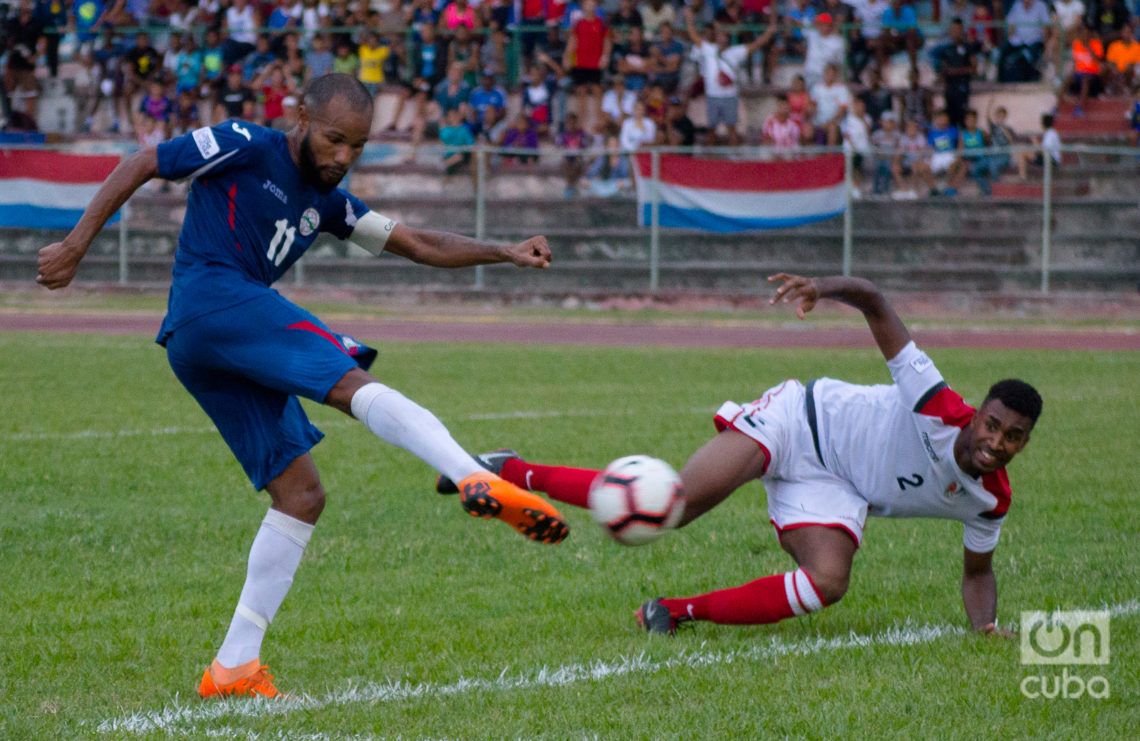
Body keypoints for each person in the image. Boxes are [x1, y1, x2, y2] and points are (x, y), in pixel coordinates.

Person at [35, 74, 568, 700]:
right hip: (215, 297)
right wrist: (76, 245)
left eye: (357, 147)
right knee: (349, 380)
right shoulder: (245, 142)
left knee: (301, 495)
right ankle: (475, 475)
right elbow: (145, 160)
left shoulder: (332, 204)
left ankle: (234, 667)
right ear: (302, 118)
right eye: (334, 139)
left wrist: (505, 252)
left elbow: (418, 242)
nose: (343, 156)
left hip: (205, 345)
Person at [437, 273, 1042, 638]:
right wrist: (822, 287)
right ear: (977, 415)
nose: (996, 442)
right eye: (992, 425)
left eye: (1013, 437)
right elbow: (876, 302)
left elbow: (977, 572)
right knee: (671, 505)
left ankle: (675, 612)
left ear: (1025, 443)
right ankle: (507, 469)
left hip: (836, 488)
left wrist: (985, 627)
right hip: (798, 423)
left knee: (829, 583)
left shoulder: (990, 501)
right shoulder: (935, 402)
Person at [682, 7, 777, 145]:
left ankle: (733, 156)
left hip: (730, 96)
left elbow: (756, 45)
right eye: (720, 36)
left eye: (725, 36)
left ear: (728, 39)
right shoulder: (709, 49)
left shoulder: (735, 52)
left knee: (732, 129)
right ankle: (710, 157)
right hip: (713, 95)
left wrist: (769, 31)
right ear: (716, 38)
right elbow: (693, 36)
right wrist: (689, 20)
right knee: (711, 130)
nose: (722, 39)